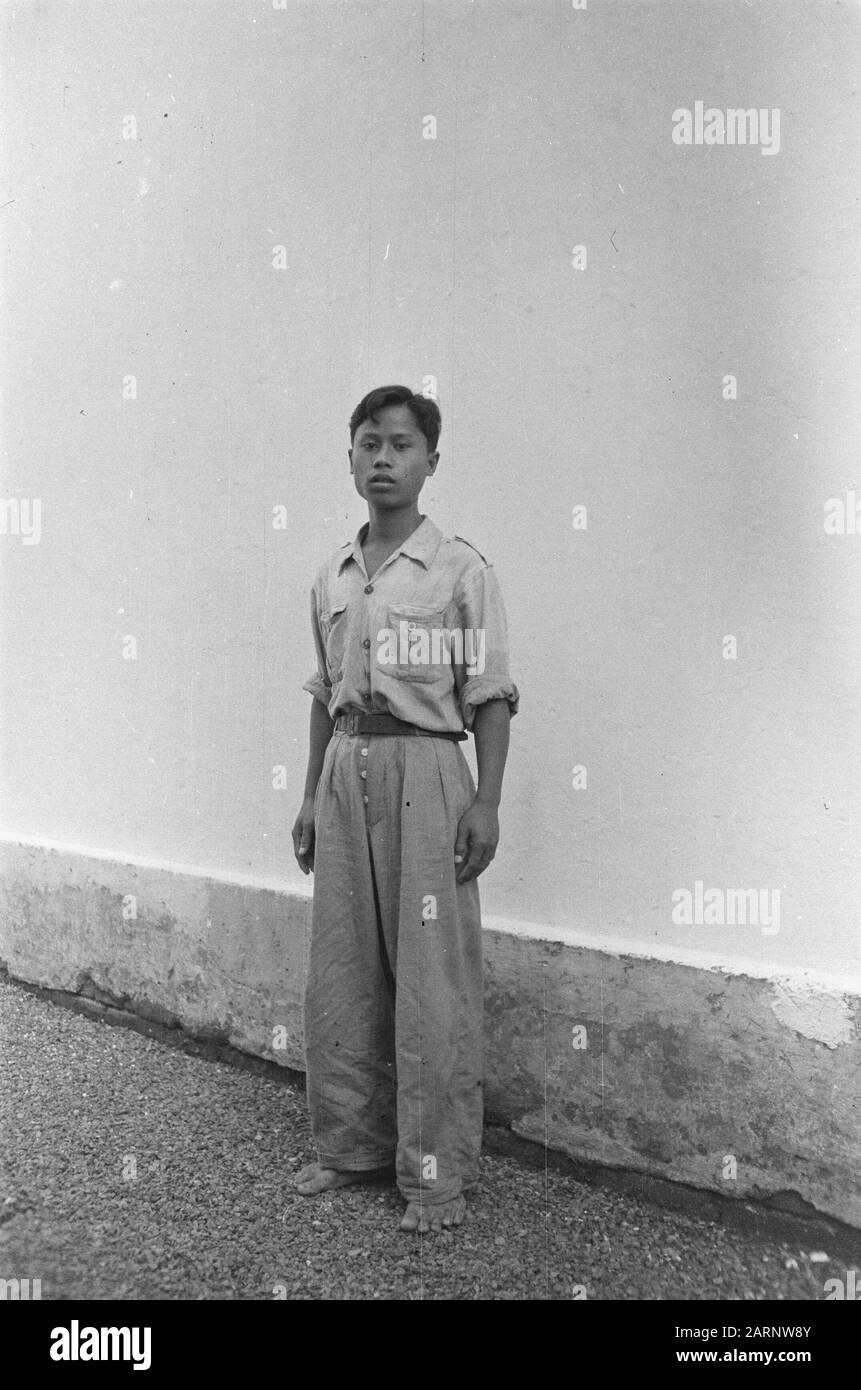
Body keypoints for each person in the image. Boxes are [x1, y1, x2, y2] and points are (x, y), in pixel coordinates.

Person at [291, 384, 518, 1235]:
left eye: (400, 444)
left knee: (431, 978)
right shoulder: (332, 574)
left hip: (428, 773)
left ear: (430, 459)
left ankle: (434, 1176)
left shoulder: (459, 569)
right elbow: (323, 693)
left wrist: (486, 803)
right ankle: (346, 1148)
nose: (382, 458)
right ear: (348, 456)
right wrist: (310, 794)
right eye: (367, 443)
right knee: (342, 970)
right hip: (347, 770)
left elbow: (490, 697)